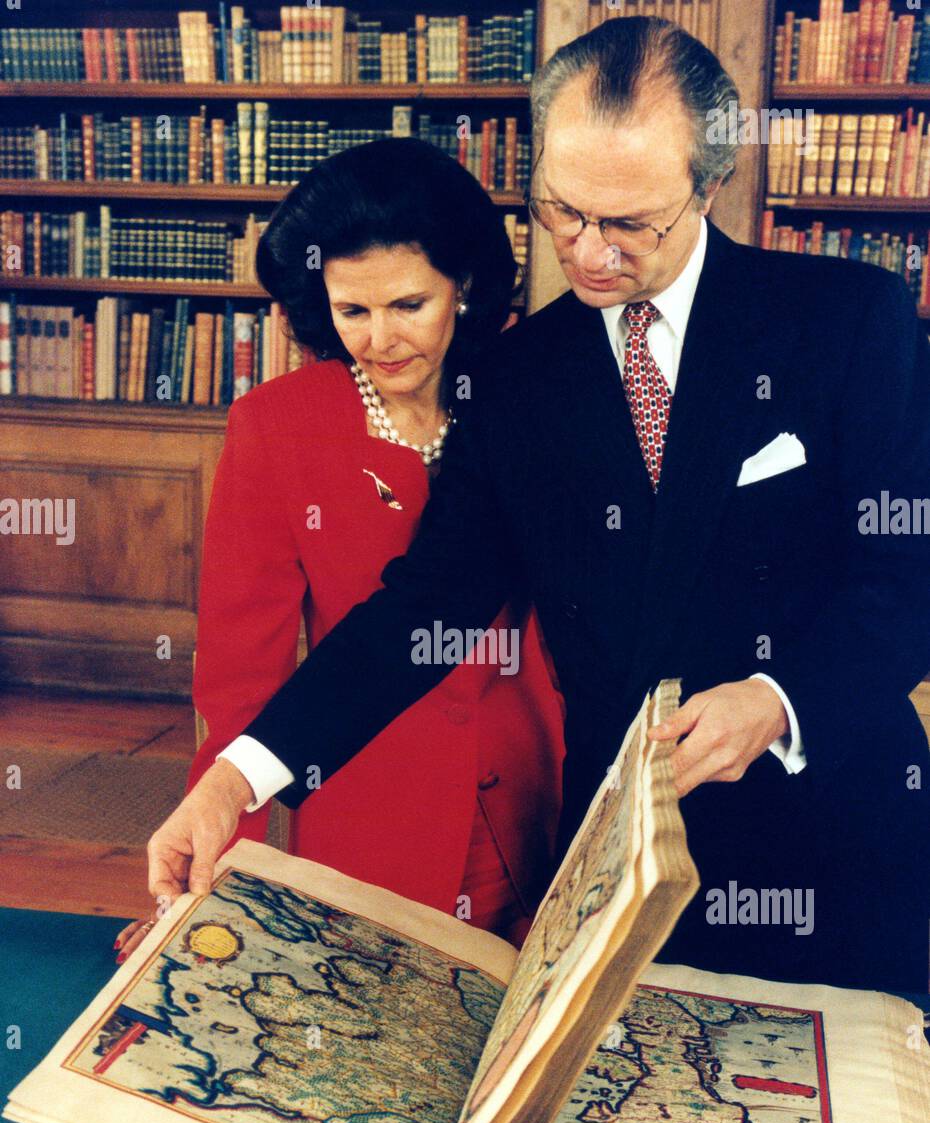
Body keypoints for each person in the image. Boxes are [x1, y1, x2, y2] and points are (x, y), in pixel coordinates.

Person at [146, 16, 930, 994]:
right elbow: (424, 608)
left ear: (710, 184)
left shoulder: (851, 320)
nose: (591, 255)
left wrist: (777, 703)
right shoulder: (512, 378)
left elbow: (908, 578)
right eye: (564, 212)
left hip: (834, 847)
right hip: (614, 861)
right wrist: (240, 775)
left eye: (630, 223)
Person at [119, 138, 565, 963]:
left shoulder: (533, 392)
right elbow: (237, 672)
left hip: (538, 798)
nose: (379, 339)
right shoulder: (275, 428)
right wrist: (221, 862)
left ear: (463, 287)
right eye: (350, 311)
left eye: (408, 305)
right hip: (367, 804)